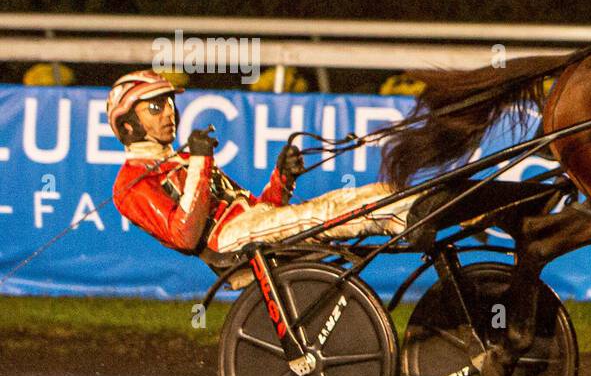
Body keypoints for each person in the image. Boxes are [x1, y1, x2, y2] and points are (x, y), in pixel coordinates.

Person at [108, 71, 417, 263]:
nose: (168, 113)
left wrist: (282, 178)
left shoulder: (185, 160)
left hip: (246, 228)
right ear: (129, 125)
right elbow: (184, 236)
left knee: (350, 198)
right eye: (154, 107)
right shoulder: (130, 183)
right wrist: (202, 162)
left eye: (169, 104)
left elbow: (261, 210)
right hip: (227, 241)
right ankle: (410, 218)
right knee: (321, 215)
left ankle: (413, 204)